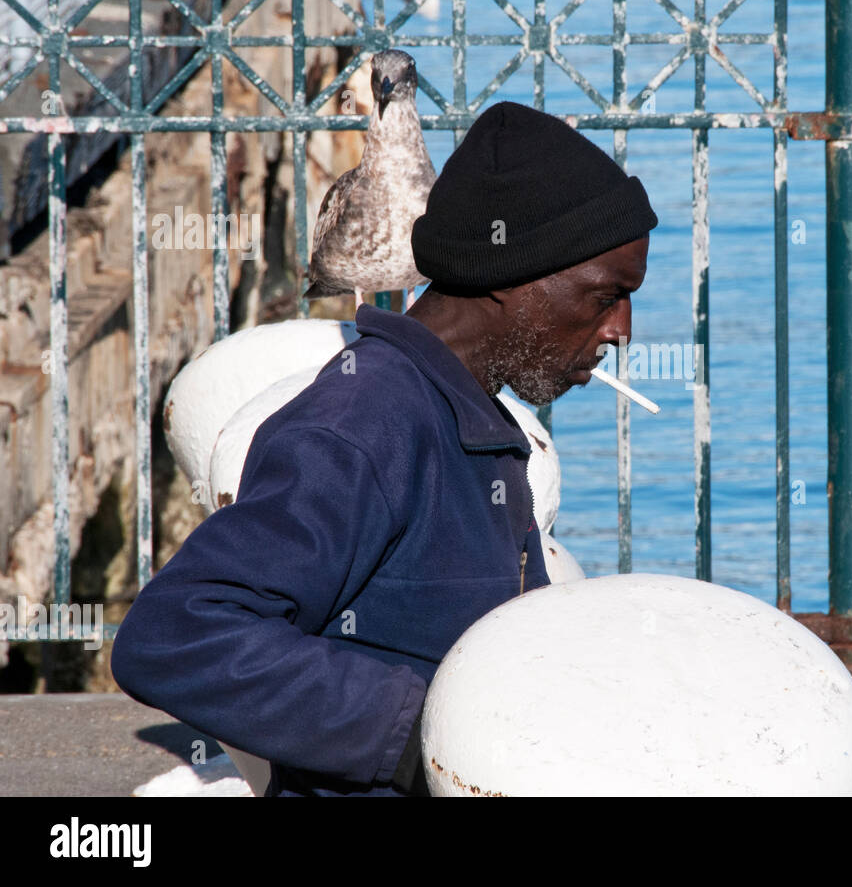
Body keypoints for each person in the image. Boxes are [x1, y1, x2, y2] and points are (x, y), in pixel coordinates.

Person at [111, 101, 657, 796]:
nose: (622, 328)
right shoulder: (363, 425)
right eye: (607, 295)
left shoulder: (482, 428)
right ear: (515, 271)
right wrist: (420, 732)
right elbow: (176, 632)